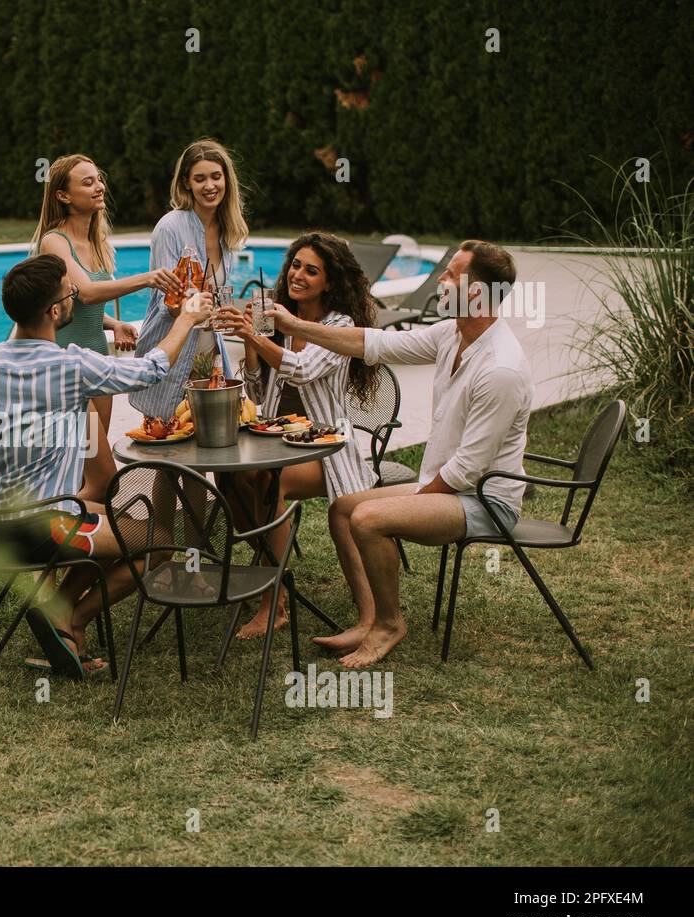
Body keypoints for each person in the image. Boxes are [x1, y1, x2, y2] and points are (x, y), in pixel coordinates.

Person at [264, 240, 531, 666]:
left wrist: (411, 501)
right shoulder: (451, 334)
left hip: (483, 500)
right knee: (344, 508)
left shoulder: (500, 369)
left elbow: (469, 468)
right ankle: (368, 619)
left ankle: (389, 624)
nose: (441, 281)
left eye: (450, 275)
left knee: (370, 518)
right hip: (447, 487)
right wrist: (296, 324)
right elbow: (375, 345)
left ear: (477, 294)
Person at [0, 254, 210, 677]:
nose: (75, 298)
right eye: (70, 293)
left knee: (114, 521)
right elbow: (149, 371)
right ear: (55, 311)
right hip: (48, 526)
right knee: (158, 542)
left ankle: (60, 611)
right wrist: (186, 319)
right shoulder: (71, 364)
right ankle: (71, 617)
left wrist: (12, 449)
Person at [216, 233, 378, 639]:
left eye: (312, 270)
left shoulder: (340, 326)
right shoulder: (278, 318)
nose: (298, 275)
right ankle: (272, 560)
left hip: (327, 448)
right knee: (232, 476)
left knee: (271, 481)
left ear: (331, 282)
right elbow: (256, 392)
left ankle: (274, 602)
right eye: (296, 265)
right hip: (276, 438)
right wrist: (250, 345)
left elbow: (302, 369)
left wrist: (254, 335)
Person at [32, 155, 180, 501]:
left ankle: (81, 543)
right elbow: (86, 291)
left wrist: (114, 323)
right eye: (87, 182)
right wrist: (149, 278)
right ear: (63, 196)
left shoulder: (97, 242)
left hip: (97, 361)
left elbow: (82, 305)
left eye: (98, 179)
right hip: (66, 368)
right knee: (89, 474)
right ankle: (44, 525)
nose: (98, 186)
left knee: (91, 474)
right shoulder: (54, 242)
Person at [130, 139, 248, 420]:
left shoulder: (228, 231)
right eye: (200, 178)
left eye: (216, 177)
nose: (209, 186)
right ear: (186, 183)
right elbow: (166, 304)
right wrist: (191, 306)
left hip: (211, 354)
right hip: (171, 353)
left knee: (218, 444)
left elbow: (216, 300)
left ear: (226, 180)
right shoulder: (170, 227)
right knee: (171, 449)